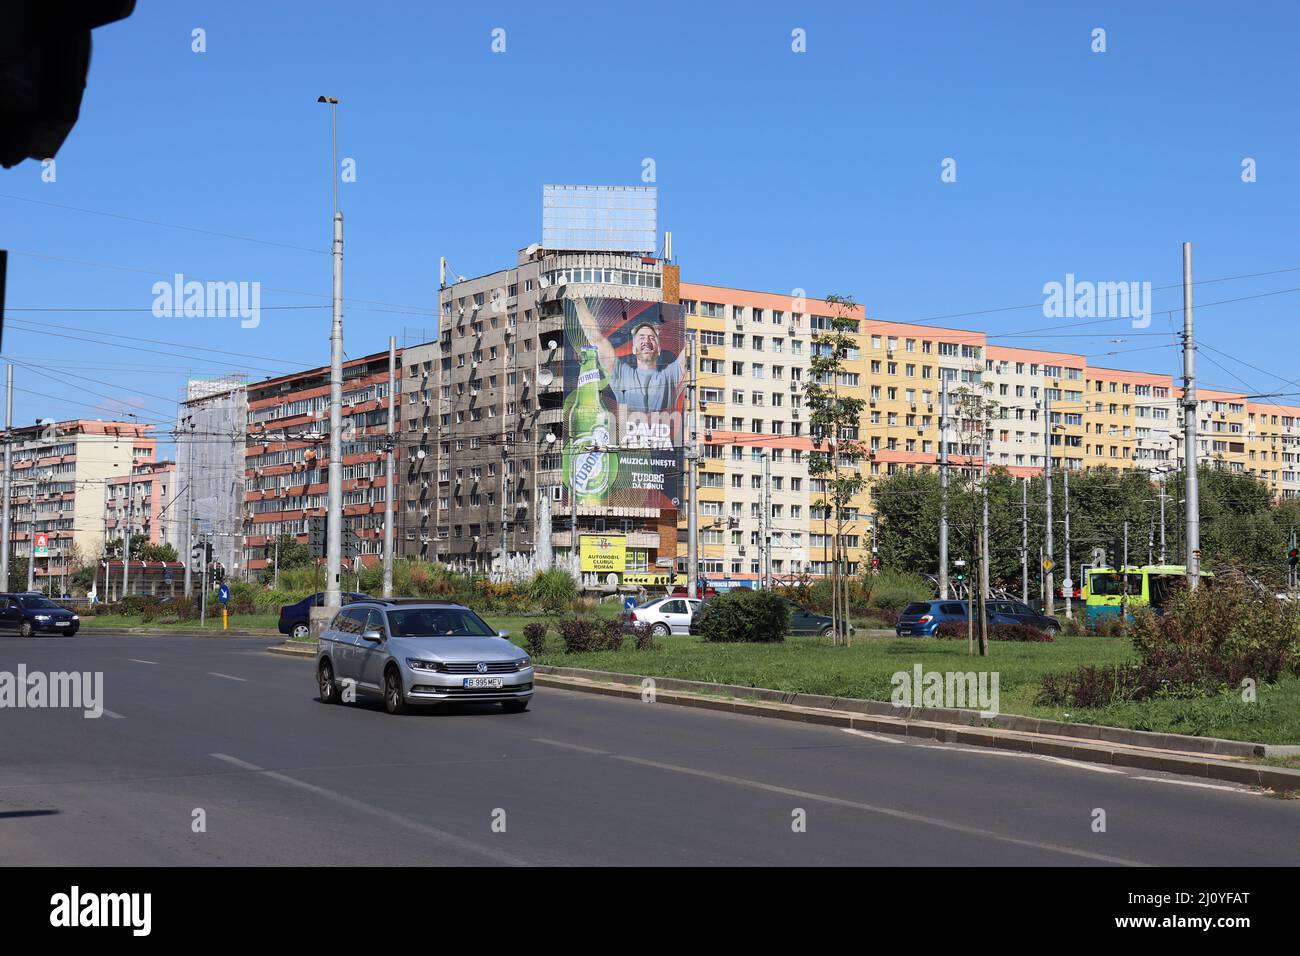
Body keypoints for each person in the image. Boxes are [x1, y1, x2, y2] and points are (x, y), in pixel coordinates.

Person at [572, 298, 683, 413]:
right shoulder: (621, 373)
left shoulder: (670, 375)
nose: (647, 341)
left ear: (659, 349)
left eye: (651, 338)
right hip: (624, 430)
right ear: (633, 349)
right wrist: (578, 301)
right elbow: (597, 339)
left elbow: (686, 356)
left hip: (663, 430)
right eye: (642, 337)